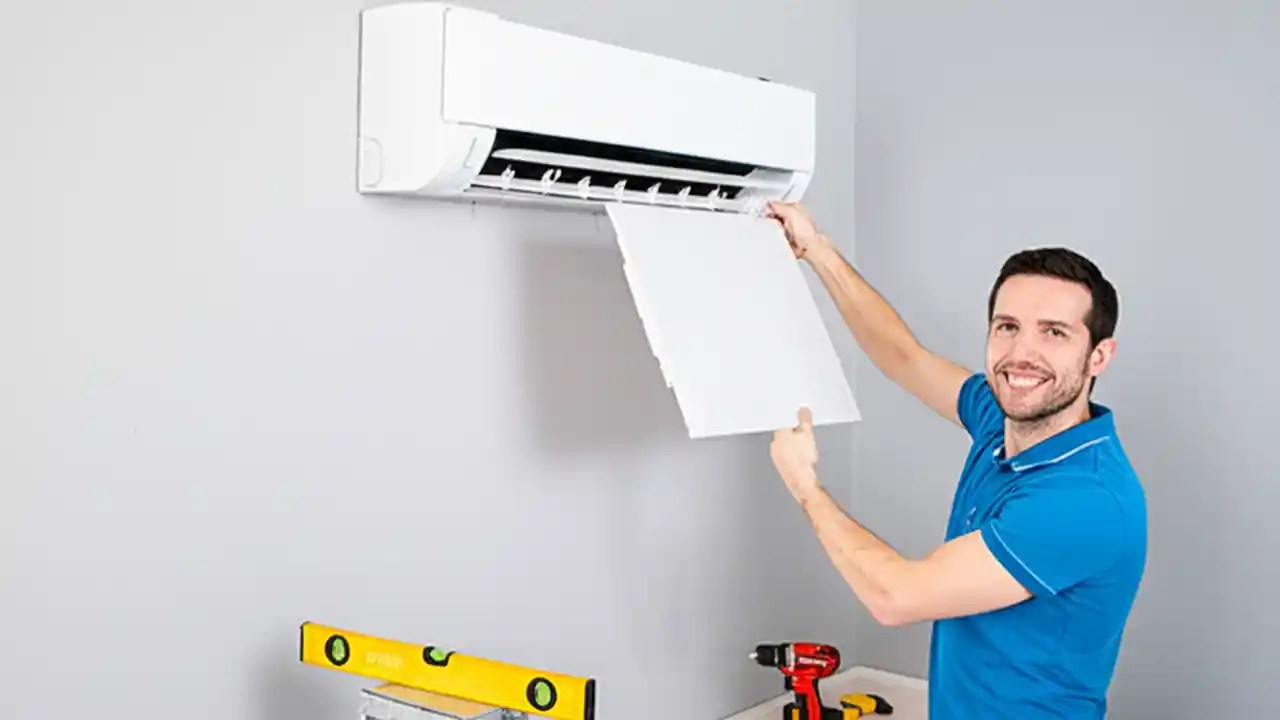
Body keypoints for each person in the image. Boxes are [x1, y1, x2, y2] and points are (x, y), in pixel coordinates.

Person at [763, 201, 1147, 719]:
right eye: (1008, 326)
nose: (1021, 354)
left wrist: (805, 486)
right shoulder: (1004, 420)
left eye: (1054, 332)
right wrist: (817, 250)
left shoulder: (1084, 499)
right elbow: (904, 356)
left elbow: (894, 595)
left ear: (1099, 355)